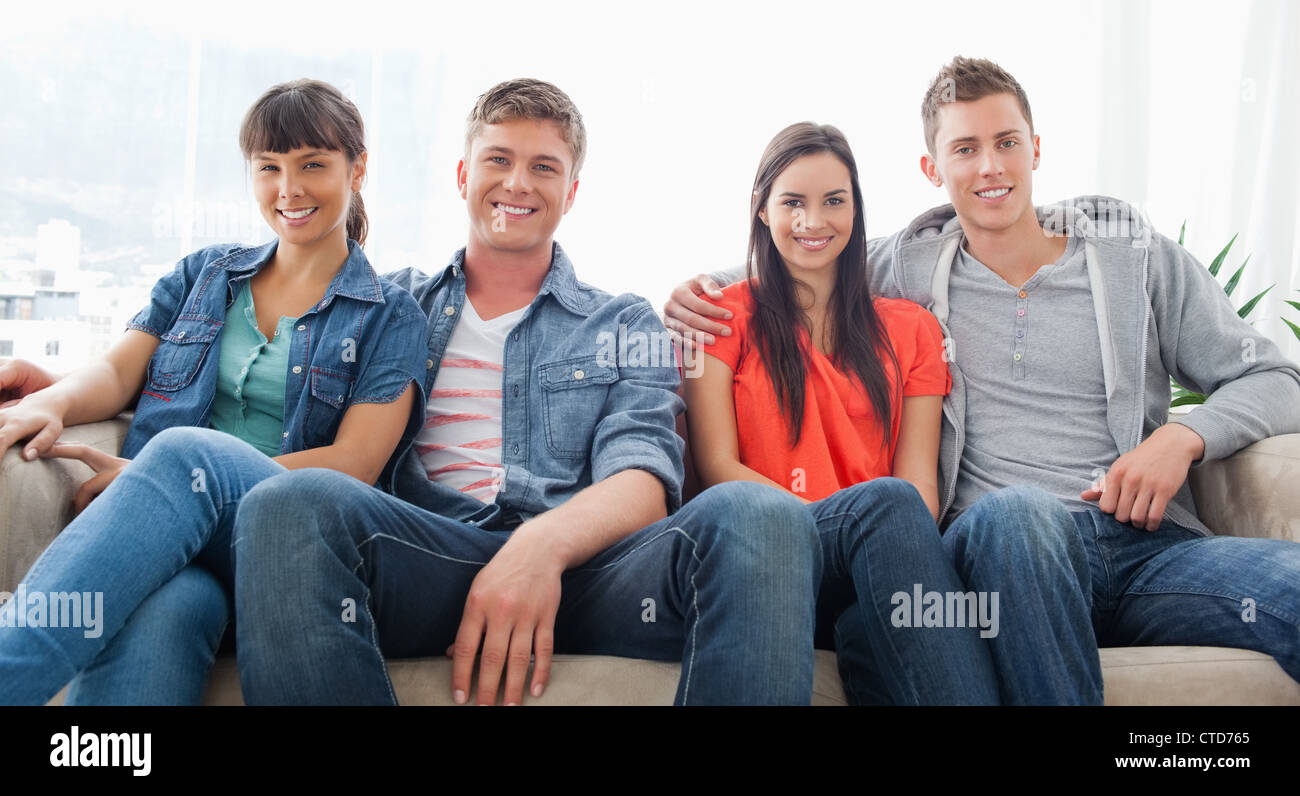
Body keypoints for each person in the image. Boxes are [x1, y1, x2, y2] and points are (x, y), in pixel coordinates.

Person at [664, 56, 1300, 702]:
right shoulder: (910, 265)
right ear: (932, 170)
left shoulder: (1133, 256)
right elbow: (806, 251)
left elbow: (1276, 378)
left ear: (1036, 149)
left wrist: (1181, 442)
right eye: (965, 149)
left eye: (1006, 143)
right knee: (1019, 516)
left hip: (1144, 547)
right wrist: (699, 291)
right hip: (1000, 546)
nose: (990, 167)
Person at [214, 78, 816, 705]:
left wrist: (538, 549)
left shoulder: (621, 323)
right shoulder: (389, 307)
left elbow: (642, 478)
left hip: (587, 576)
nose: (517, 184)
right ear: (462, 175)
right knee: (288, 504)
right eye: (498, 159)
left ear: (571, 192)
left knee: (762, 513)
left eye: (543, 167)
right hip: (422, 555)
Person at [0, 78, 428, 705]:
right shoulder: (205, 275)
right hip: (185, 552)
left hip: (285, 540)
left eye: (314, 165)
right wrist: (50, 401)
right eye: (270, 168)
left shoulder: (391, 314)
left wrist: (172, 484)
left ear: (357, 169)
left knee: (181, 457)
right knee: (165, 608)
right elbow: (120, 372)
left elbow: (354, 464)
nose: (290, 189)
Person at [683, 121, 1001, 704]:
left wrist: (877, 539)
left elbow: (919, 487)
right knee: (886, 506)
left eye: (834, 201)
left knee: (876, 615)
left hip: (877, 566)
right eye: (793, 203)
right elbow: (716, 466)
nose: (814, 222)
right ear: (761, 211)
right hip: (771, 550)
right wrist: (833, 520)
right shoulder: (720, 317)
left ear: (855, 209)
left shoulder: (911, 328)